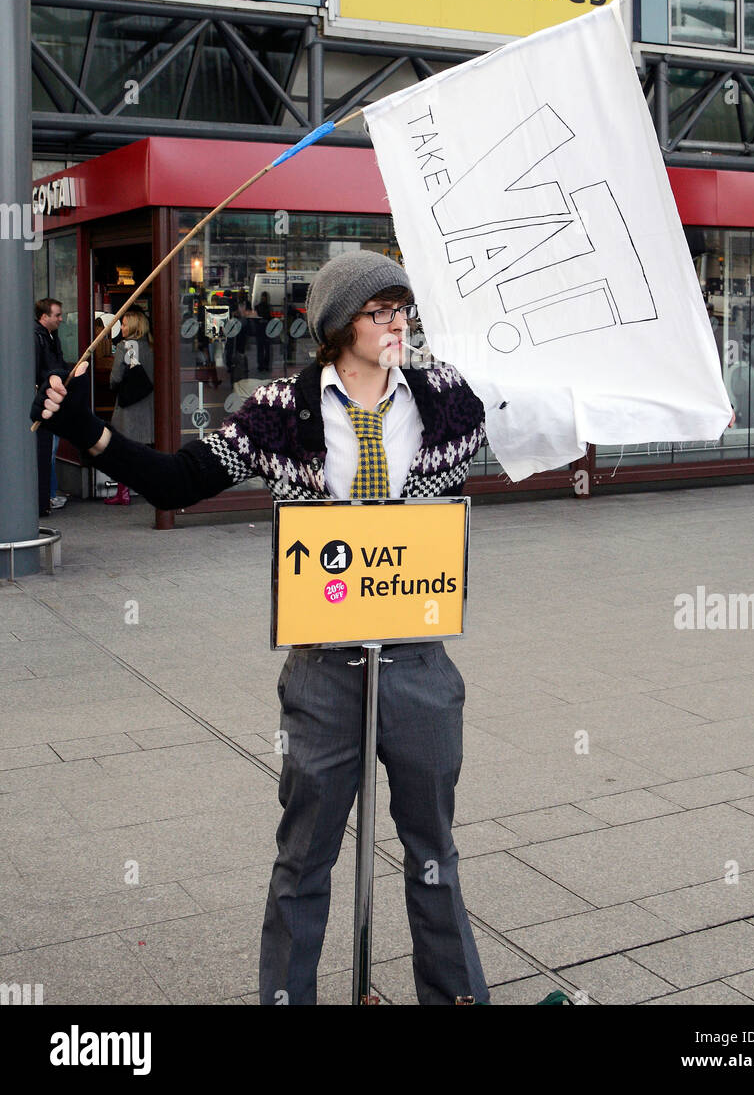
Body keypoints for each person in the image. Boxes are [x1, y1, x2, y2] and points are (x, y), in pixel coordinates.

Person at [32, 251, 489, 1005]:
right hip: (322, 668)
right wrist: (87, 429)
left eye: (402, 309)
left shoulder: (446, 397)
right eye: (380, 311)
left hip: (418, 658)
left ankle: (456, 998)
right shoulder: (282, 409)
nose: (397, 322)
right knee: (304, 856)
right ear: (338, 325)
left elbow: (547, 413)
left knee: (434, 848)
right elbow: (180, 480)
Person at [105, 306, 154, 506]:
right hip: (148, 405)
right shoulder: (151, 346)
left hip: (129, 407)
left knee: (122, 452)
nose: (122, 328)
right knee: (144, 452)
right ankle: (148, 488)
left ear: (133, 326)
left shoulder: (126, 347)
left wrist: (112, 384)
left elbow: (115, 378)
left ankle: (122, 491)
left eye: (124, 324)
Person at [34, 297, 70, 517]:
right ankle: (45, 496)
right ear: (44, 316)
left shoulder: (50, 336)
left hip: (51, 395)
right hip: (45, 396)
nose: (60, 319)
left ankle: (49, 494)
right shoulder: (37, 337)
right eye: (57, 315)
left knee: (52, 449)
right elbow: (42, 368)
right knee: (47, 450)